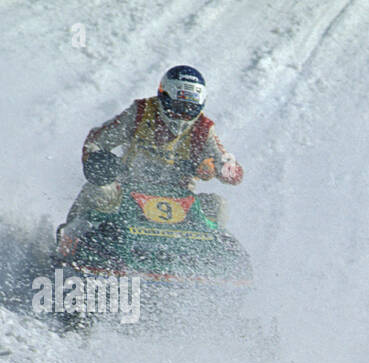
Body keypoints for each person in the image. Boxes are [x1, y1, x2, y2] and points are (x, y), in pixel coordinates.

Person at [56, 65, 244, 255]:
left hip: (181, 201)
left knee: (218, 205)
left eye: (190, 109)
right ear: (164, 97)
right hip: (126, 192)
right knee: (97, 190)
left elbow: (233, 172)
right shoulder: (140, 112)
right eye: (178, 107)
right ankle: (67, 242)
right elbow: (96, 140)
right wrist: (98, 164)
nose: (183, 115)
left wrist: (216, 168)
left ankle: (211, 258)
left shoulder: (203, 128)